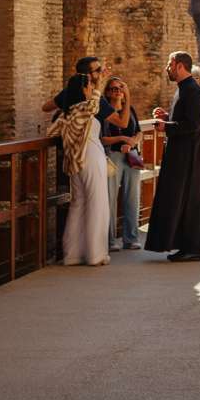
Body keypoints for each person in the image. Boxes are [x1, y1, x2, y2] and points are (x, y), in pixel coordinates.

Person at [144, 51, 200, 262]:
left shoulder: (192, 90)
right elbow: (185, 119)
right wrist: (167, 118)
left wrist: (167, 127)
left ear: (180, 66)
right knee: (178, 200)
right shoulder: (184, 89)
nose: (167, 68)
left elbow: (193, 125)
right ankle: (184, 245)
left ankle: (192, 248)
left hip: (188, 157)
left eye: (170, 64)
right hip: (181, 154)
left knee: (189, 200)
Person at [55, 80, 111, 266]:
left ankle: (72, 254)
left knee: (77, 205)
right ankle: (95, 253)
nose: (91, 90)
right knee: (97, 203)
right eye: (88, 86)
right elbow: (96, 104)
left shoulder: (65, 114)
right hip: (92, 157)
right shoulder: (84, 108)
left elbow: (51, 132)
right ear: (82, 90)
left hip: (74, 162)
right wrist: (100, 83)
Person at [101, 77, 144, 249]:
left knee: (132, 198)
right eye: (113, 89)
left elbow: (139, 132)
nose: (117, 91)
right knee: (110, 199)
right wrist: (121, 139)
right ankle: (110, 241)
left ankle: (131, 238)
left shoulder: (130, 109)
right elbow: (101, 139)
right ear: (107, 92)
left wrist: (132, 141)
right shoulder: (104, 112)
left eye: (120, 88)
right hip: (112, 156)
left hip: (131, 156)